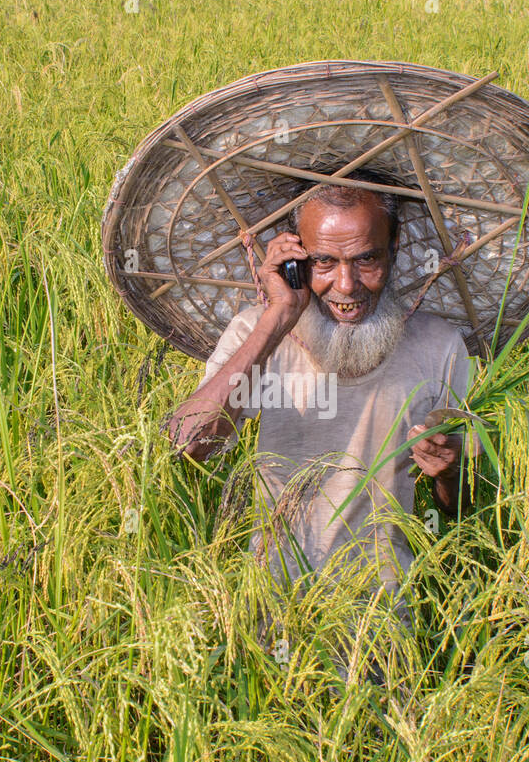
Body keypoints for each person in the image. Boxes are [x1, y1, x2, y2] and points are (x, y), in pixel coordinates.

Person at [166, 171, 475, 613]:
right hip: (273, 605)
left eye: (367, 260)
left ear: (395, 249)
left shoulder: (438, 346)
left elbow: (462, 508)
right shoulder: (258, 334)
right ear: (294, 259)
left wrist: (447, 471)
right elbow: (189, 443)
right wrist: (278, 316)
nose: (346, 286)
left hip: (384, 614)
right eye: (323, 262)